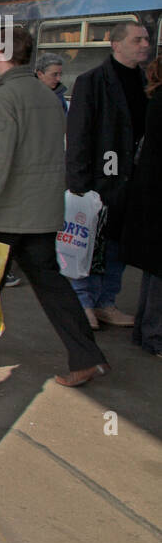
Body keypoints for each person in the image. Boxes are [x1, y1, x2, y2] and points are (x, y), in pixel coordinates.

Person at [0, 27, 108, 388]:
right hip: (42, 209)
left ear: (1, 54)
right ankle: (87, 356)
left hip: (7, 209)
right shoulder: (48, 95)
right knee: (51, 285)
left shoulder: (3, 96)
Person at [67, 21, 153, 329]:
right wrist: (78, 185)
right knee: (86, 243)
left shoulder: (146, 82)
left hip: (129, 180)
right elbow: (78, 134)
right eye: (137, 40)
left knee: (117, 243)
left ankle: (106, 302)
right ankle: (83, 302)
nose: (144, 45)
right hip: (99, 177)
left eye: (146, 39)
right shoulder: (92, 82)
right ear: (116, 44)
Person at [123, 57, 162, 356]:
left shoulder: (155, 99)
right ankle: (153, 335)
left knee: (154, 269)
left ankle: (145, 331)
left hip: (150, 193)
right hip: (155, 194)